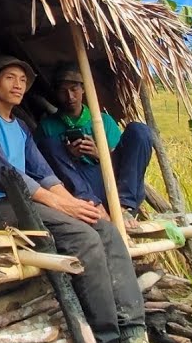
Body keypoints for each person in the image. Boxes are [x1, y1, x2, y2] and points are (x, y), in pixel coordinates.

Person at [0, 56, 192, 343]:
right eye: (10, 78)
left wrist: (75, 203)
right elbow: (5, 173)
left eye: (23, 80)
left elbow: (43, 172)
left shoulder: (20, 127)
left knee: (103, 227)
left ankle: (134, 337)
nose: (18, 85)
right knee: (83, 237)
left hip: (27, 200)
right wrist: (61, 204)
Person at [36, 63, 155, 228]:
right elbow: (44, 169)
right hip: (77, 187)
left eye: (74, 89)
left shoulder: (102, 120)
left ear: (83, 89)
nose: (70, 96)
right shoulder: (47, 126)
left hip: (108, 181)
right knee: (50, 145)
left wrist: (98, 154)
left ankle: (124, 206)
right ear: (56, 93)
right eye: (63, 91)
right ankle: (97, 209)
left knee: (139, 130)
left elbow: (122, 165)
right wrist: (69, 157)